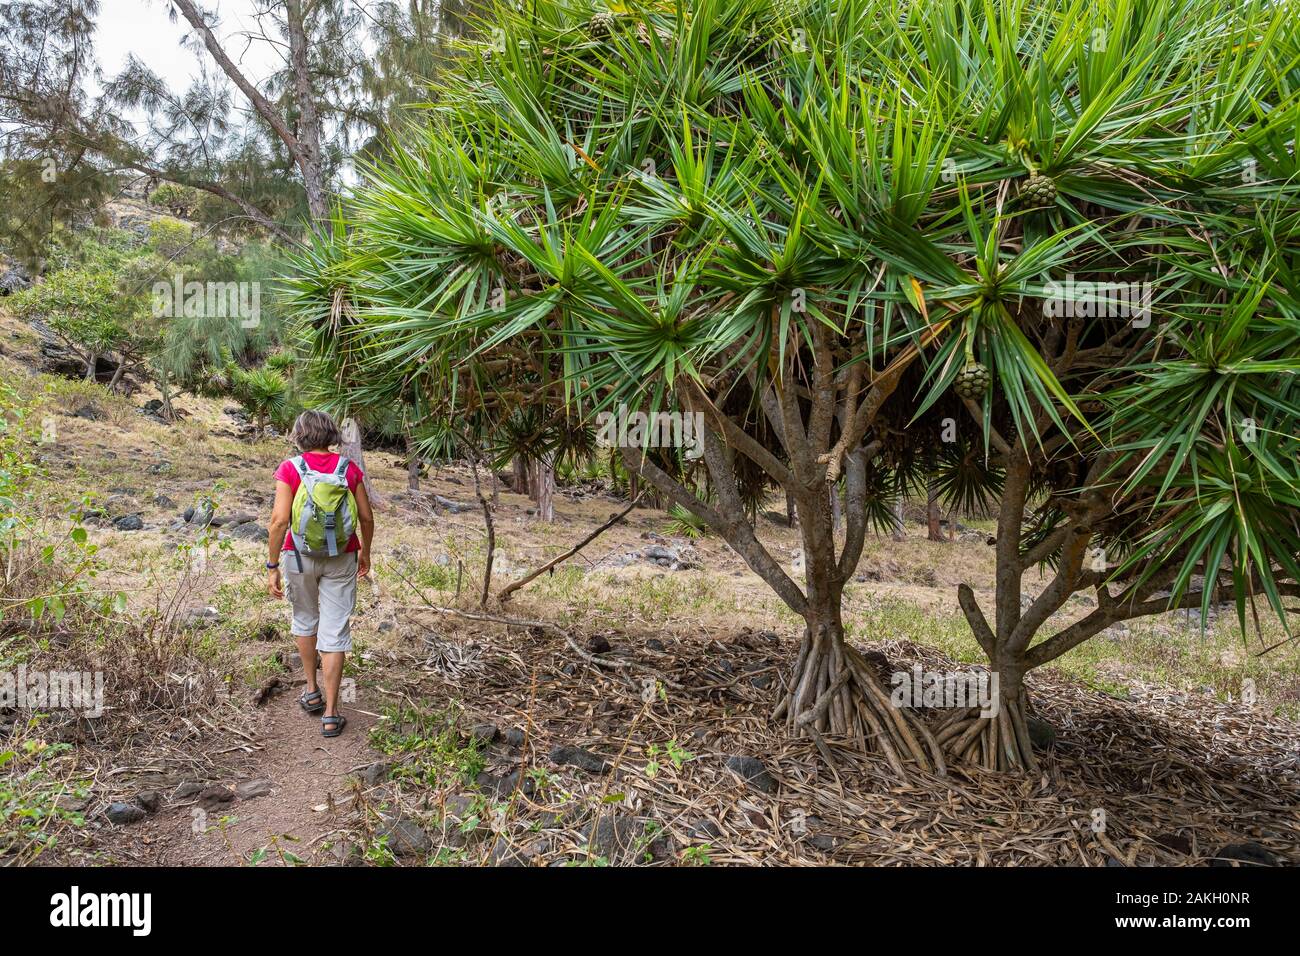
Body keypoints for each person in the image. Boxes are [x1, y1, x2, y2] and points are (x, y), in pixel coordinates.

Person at [266, 411, 374, 737]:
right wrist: (364, 552)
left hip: (297, 556)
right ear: (330, 435)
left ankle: (311, 689)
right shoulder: (348, 469)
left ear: (299, 436)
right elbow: (367, 518)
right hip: (342, 556)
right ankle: (331, 713)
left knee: (304, 618)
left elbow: (279, 521)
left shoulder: (290, 468)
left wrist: (272, 566)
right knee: (335, 630)